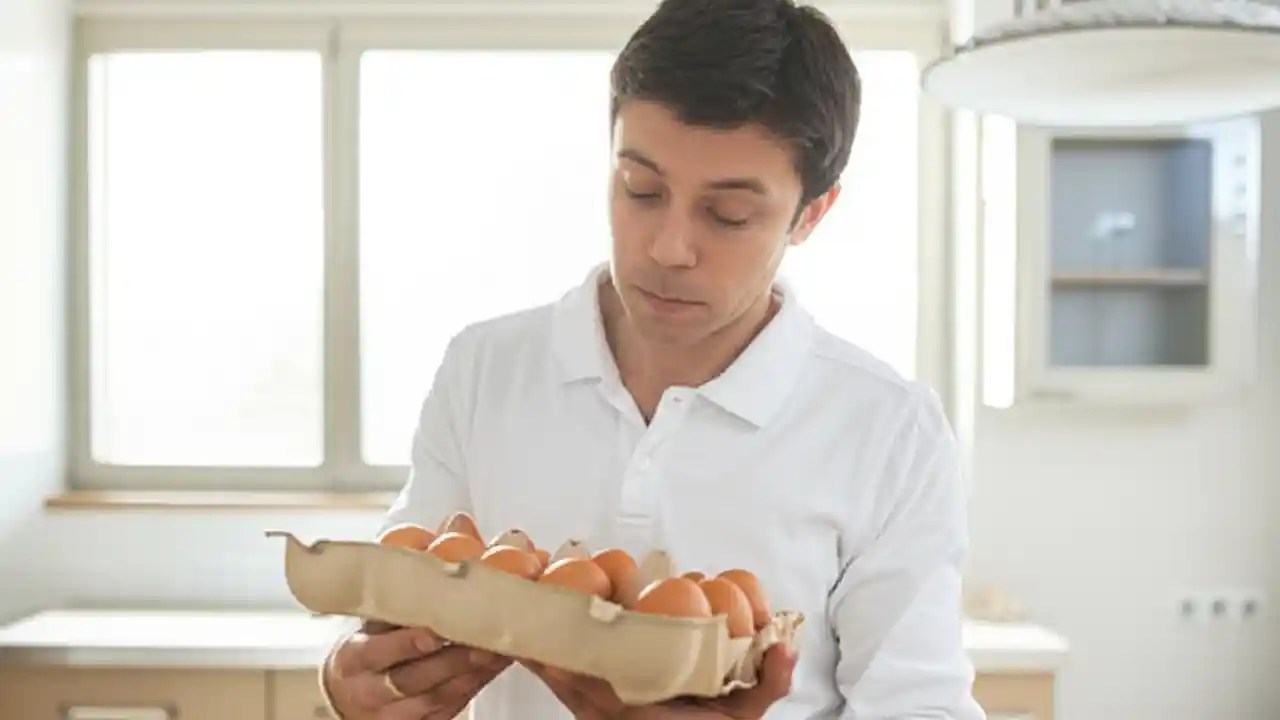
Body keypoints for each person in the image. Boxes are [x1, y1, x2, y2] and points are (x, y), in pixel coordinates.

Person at [320, 0, 985, 718]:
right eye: (641, 190)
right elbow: (398, 609)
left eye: (727, 215)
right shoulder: (485, 370)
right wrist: (346, 685)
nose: (669, 247)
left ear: (811, 215)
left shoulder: (889, 431)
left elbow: (923, 707)